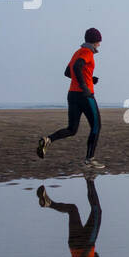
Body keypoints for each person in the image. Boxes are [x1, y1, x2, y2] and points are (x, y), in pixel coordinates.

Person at [37, 27, 104, 170]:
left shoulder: (77, 52)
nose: (99, 44)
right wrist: (85, 86)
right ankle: (90, 159)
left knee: (72, 129)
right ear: (94, 41)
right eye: (99, 41)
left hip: (72, 95)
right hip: (85, 96)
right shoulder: (87, 53)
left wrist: (90, 79)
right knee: (97, 126)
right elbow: (78, 67)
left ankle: (48, 140)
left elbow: (68, 72)